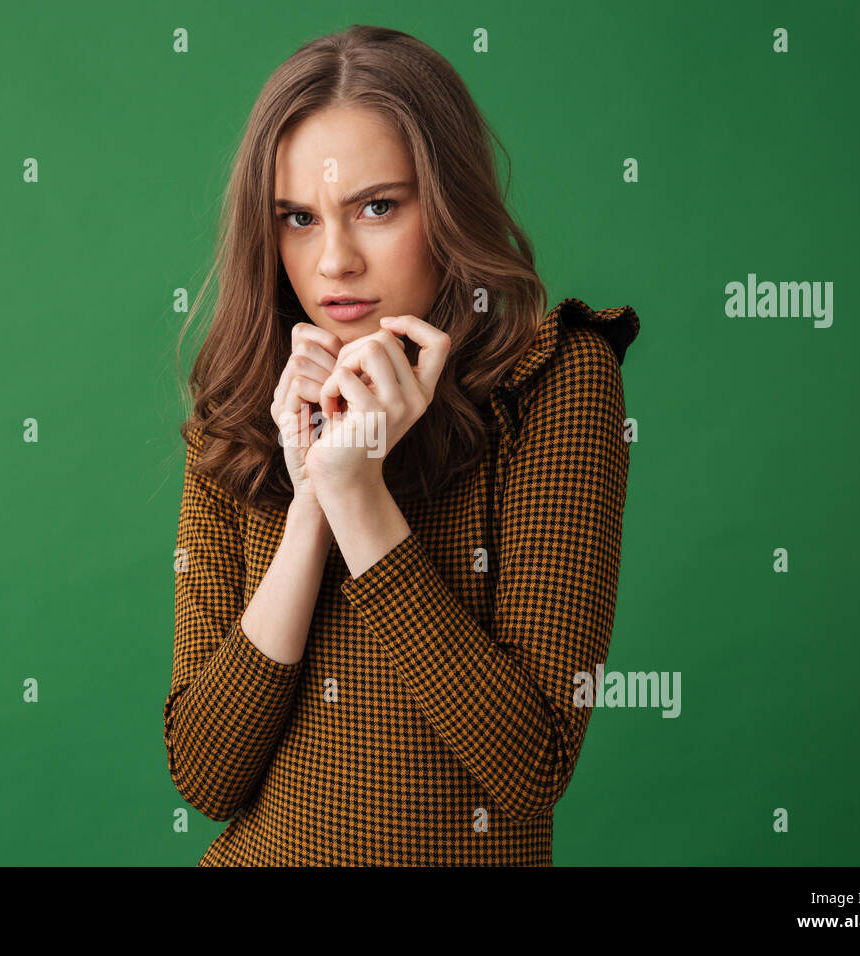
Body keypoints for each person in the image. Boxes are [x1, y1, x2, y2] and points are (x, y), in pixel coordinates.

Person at [164, 24, 640, 866]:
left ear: (448, 202)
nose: (334, 260)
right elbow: (207, 778)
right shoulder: (247, 405)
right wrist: (313, 501)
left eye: (377, 207)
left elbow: (529, 766)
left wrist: (360, 493)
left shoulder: (557, 381)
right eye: (298, 219)